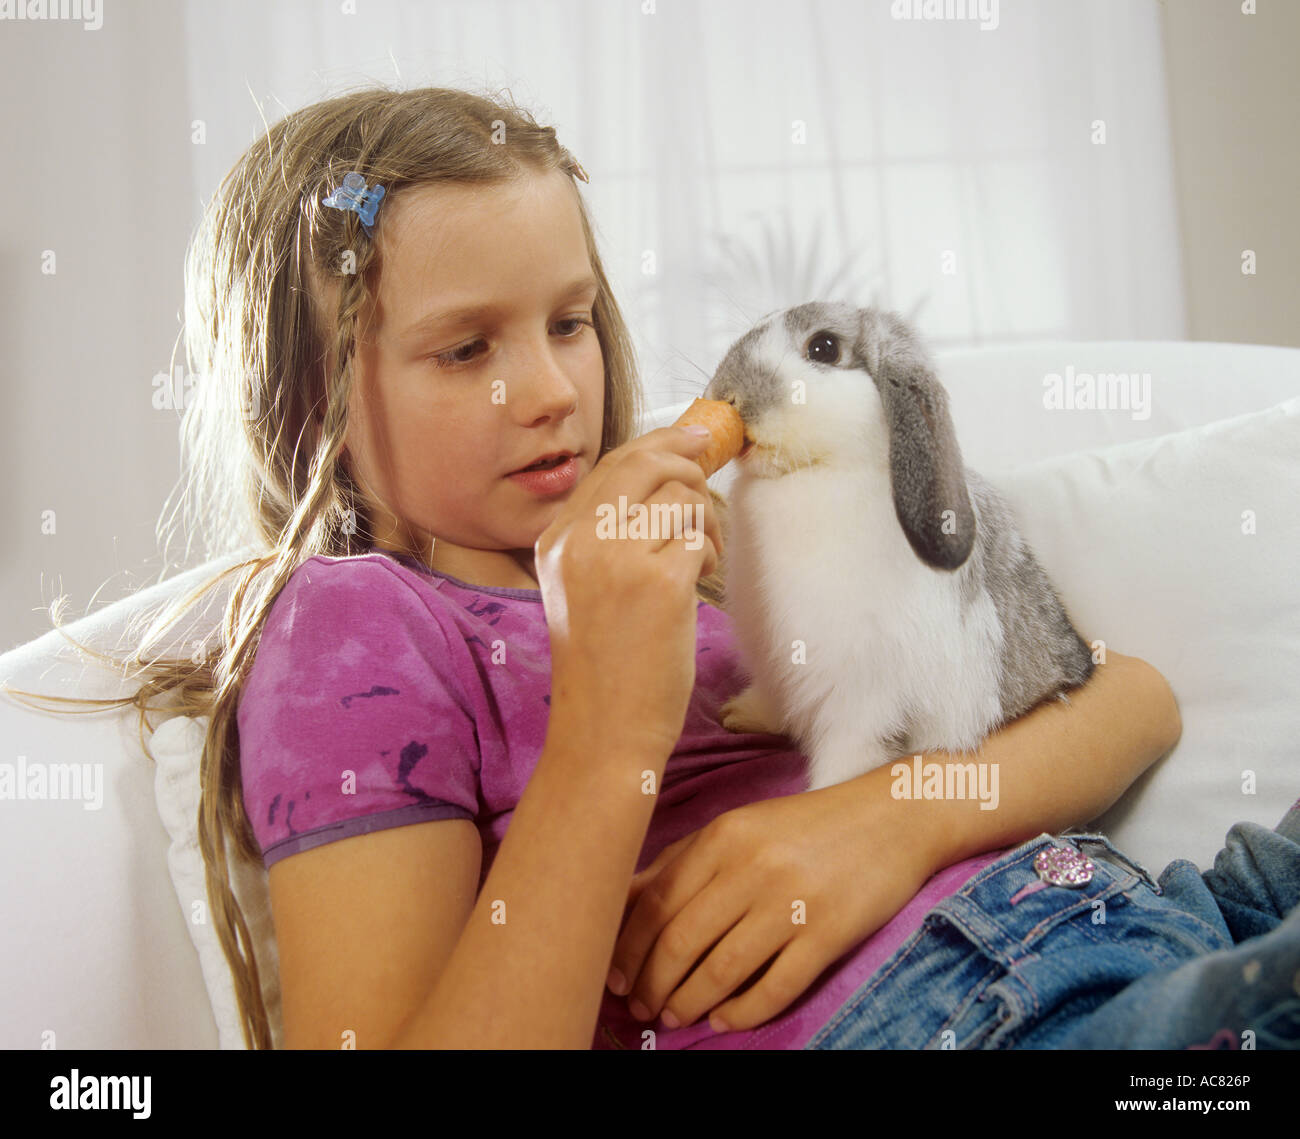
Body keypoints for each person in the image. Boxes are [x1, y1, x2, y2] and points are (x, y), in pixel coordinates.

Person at [8, 85, 1292, 1051]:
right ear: (311, 405)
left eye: (568, 321)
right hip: (965, 1015)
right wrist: (610, 714)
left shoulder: (718, 549)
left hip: (1142, 915)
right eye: (467, 350)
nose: (554, 390)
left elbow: (1126, 696)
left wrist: (884, 821)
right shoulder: (356, 627)